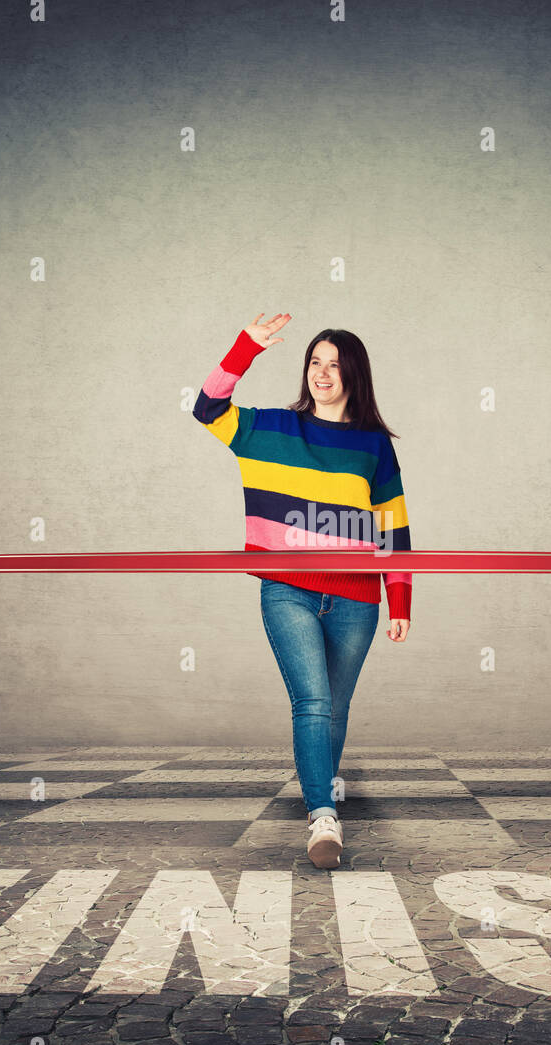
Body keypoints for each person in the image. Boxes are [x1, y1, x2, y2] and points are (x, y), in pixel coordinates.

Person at [193, 313, 412, 868]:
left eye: (335, 364)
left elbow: (394, 528)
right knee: (312, 702)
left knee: (335, 709)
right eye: (315, 362)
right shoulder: (269, 428)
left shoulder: (373, 447)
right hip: (287, 589)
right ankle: (322, 816)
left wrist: (400, 599)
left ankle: (323, 797)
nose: (322, 372)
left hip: (357, 599)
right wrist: (246, 347)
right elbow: (207, 407)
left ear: (353, 375)